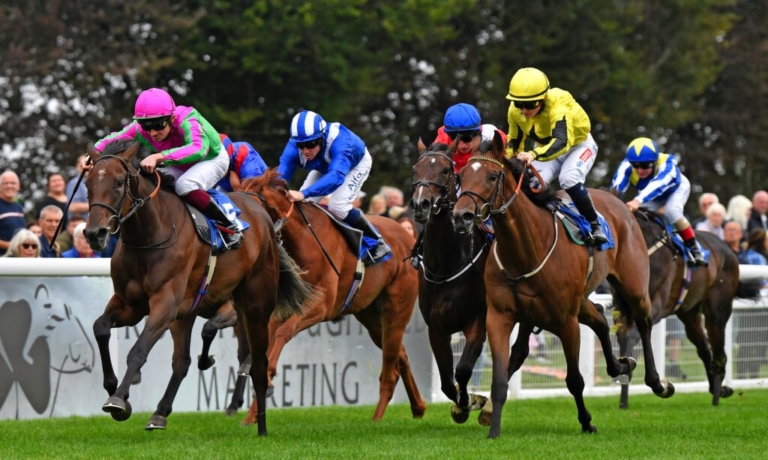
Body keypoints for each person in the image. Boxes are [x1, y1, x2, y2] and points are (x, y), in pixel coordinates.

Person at [90, 88, 242, 249]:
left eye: (159, 125)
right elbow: (111, 138)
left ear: (172, 117)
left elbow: (199, 148)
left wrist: (159, 156)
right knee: (151, 180)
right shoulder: (140, 128)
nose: (153, 133)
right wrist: (90, 156)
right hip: (180, 163)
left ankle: (230, 227)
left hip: (212, 158)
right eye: (146, 127)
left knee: (185, 185)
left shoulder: (187, 119)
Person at [504, 67, 607, 245]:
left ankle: (595, 225)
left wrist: (533, 153)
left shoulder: (558, 104)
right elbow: (514, 142)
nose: (524, 110)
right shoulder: (515, 111)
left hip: (577, 146)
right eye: (519, 104)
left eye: (530, 105)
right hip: (545, 150)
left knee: (568, 178)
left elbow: (562, 141)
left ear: (543, 98)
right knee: (533, 184)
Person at [277, 110, 391, 261]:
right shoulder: (293, 147)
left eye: (310, 144)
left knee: (337, 206)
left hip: (353, 165)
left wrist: (304, 193)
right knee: (304, 206)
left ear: (322, 137)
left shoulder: (340, 142)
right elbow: (280, 178)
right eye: (300, 145)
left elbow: (336, 177)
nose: (305, 151)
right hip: (326, 167)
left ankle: (377, 242)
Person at [611, 137, 707, 266]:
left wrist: (637, 200)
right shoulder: (626, 165)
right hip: (651, 195)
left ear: (655, 161)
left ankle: (695, 248)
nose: (639, 170)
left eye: (645, 166)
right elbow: (616, 189)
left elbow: (659, 184)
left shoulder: (667, 163)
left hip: (675, 190)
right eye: (635, 166)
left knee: (672, 211)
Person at [432, 103, 508, 173]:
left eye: (467, 138)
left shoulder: (492, 136)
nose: (462, 146)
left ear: (478, 132)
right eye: (455, 139)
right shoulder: (443, 137)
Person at [0, 170, 26, 256]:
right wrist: (11, 245)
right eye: (6, 183)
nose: (9, 186)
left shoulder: (19, 207)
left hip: (18, 258)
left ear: (18, 186)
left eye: (13, 183)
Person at [65, 154, 90, 221]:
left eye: (90, 163)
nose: (88, 166)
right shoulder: (75, 183)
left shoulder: (97, 182)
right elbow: (73, 207)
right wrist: (98, 205)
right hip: (79, 227)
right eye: (85, 163)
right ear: (78, 166)